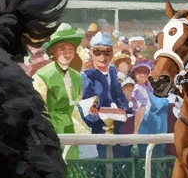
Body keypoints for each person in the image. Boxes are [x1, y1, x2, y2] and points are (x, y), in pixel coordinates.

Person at [31, 24, 90, 154]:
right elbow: (37, 109)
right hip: (50, 132)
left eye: (70, 50)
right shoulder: (43, 76)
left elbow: (74, 107)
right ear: (54, 51)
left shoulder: (76, 77)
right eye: (62, 49)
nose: (67, 54)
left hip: (70, 130)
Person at [80, 31, 130, 156]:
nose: (103, 58)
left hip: (117, 126)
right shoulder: (86, 76)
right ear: (91, 53)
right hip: (97, 129)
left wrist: (124, 109)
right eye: (98, 53)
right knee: (101, 161)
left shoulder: (113, 72)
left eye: (107, 53)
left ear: (112, 54)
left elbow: (120, 97)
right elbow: (87, 106)